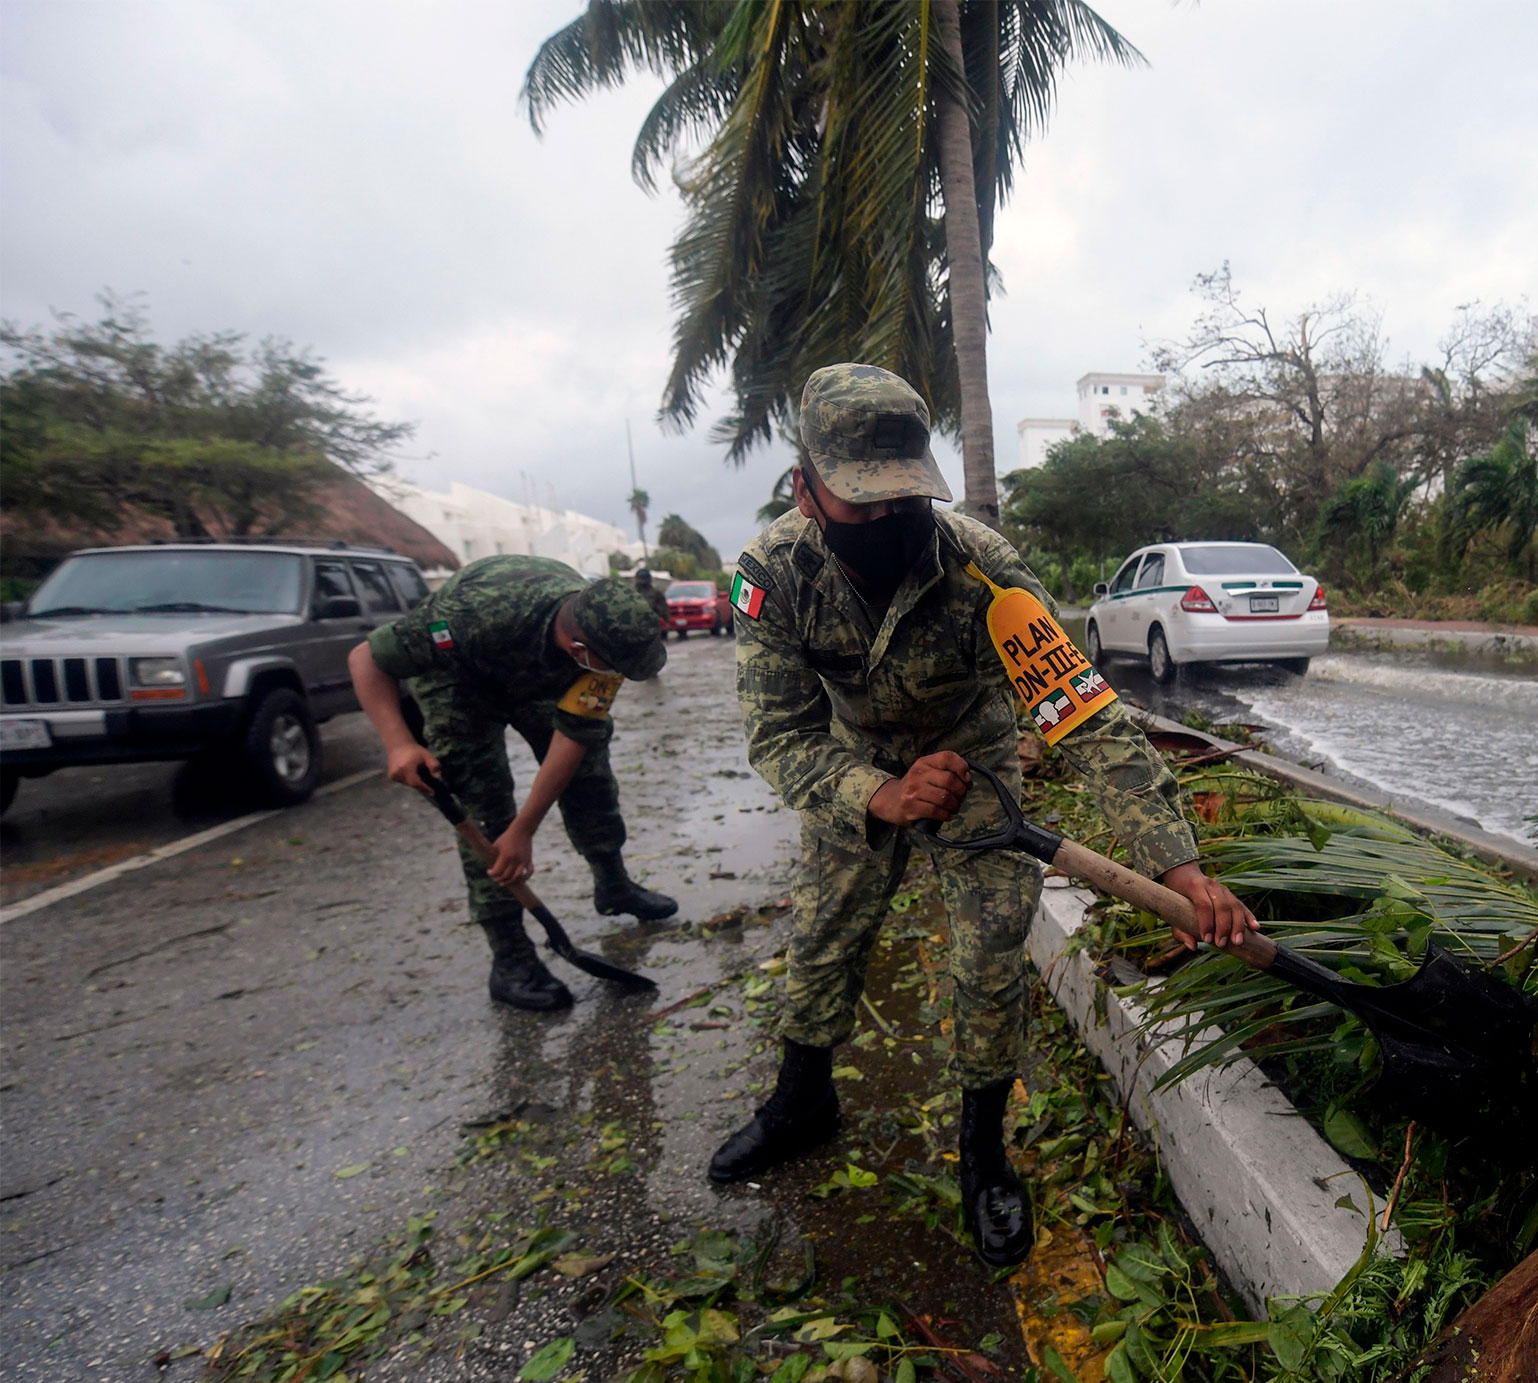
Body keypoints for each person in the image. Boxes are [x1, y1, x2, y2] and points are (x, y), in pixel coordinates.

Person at [713, 362, 1259, 1269]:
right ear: (806, 490)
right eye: (862, 502)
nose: (889, 519)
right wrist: (880, 795)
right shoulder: (772, 574)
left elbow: (1084, 717)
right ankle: (802, 1101)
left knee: (990, 953)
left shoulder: (984, 570)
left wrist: (1179, 865)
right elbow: (778, 734)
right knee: (824, 935)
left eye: (906, 498)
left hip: (975, 770)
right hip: (853, 766)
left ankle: (983, 1151)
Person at [346, 556, 680, 1012]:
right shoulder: (471, 616)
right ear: (579, 647)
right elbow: (365, 658)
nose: (617, 673)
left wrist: (527, 827)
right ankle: (510, 958)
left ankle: (613, 885)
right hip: (457, 679)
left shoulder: (609, 645)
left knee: (589, 777)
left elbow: (574, 738)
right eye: (612, 666)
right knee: (484, 813)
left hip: (540, 678)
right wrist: (399, 744)